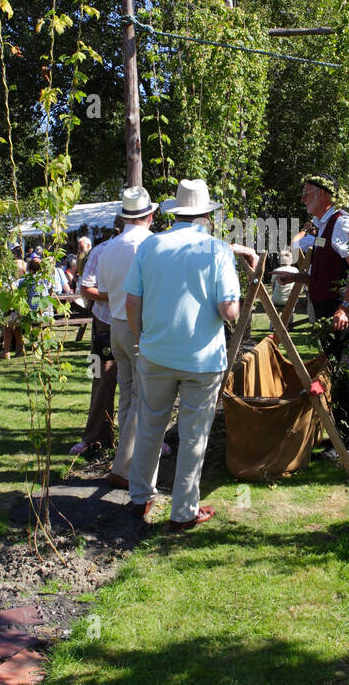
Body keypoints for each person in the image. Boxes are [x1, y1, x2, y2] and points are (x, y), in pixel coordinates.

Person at [124, 178, 243, 532]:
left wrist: (141, 337)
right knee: (193, 435)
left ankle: (139, 496)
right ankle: (183, 511)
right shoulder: (217, 250)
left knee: (149, 426)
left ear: (176, 213)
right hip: (201, 358)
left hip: (156, 353)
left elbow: (132, 301)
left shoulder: (150, 246)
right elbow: (229, 311)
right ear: (207, 214)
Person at [94, 185, 158, 488]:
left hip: (116, 325)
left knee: (128, 395)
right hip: (140, 326)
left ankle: (124, 458)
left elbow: (104, 292)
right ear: (150, 214)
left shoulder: (109, 248)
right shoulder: (151, 244)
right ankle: (127, 467)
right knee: (144, 399)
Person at [299, 174, 349, 458]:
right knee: (336, 373)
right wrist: (298, 277)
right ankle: (338, 437)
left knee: (348, 373)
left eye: (307, 193)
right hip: (328, 310)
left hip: (342, 311)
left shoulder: (343, 224)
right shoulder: (322, 226)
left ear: (323, 194)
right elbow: (324, 269)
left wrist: (344, 308)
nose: (303, 199)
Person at [69, 226, 120, 457]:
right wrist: (117, 295)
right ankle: (95, 438)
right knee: (101, 378)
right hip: (106, 323)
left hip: (137, 322)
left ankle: (144, 441)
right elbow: (85, 288)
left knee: (143, 383)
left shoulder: (150, 246)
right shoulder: (101, 251)